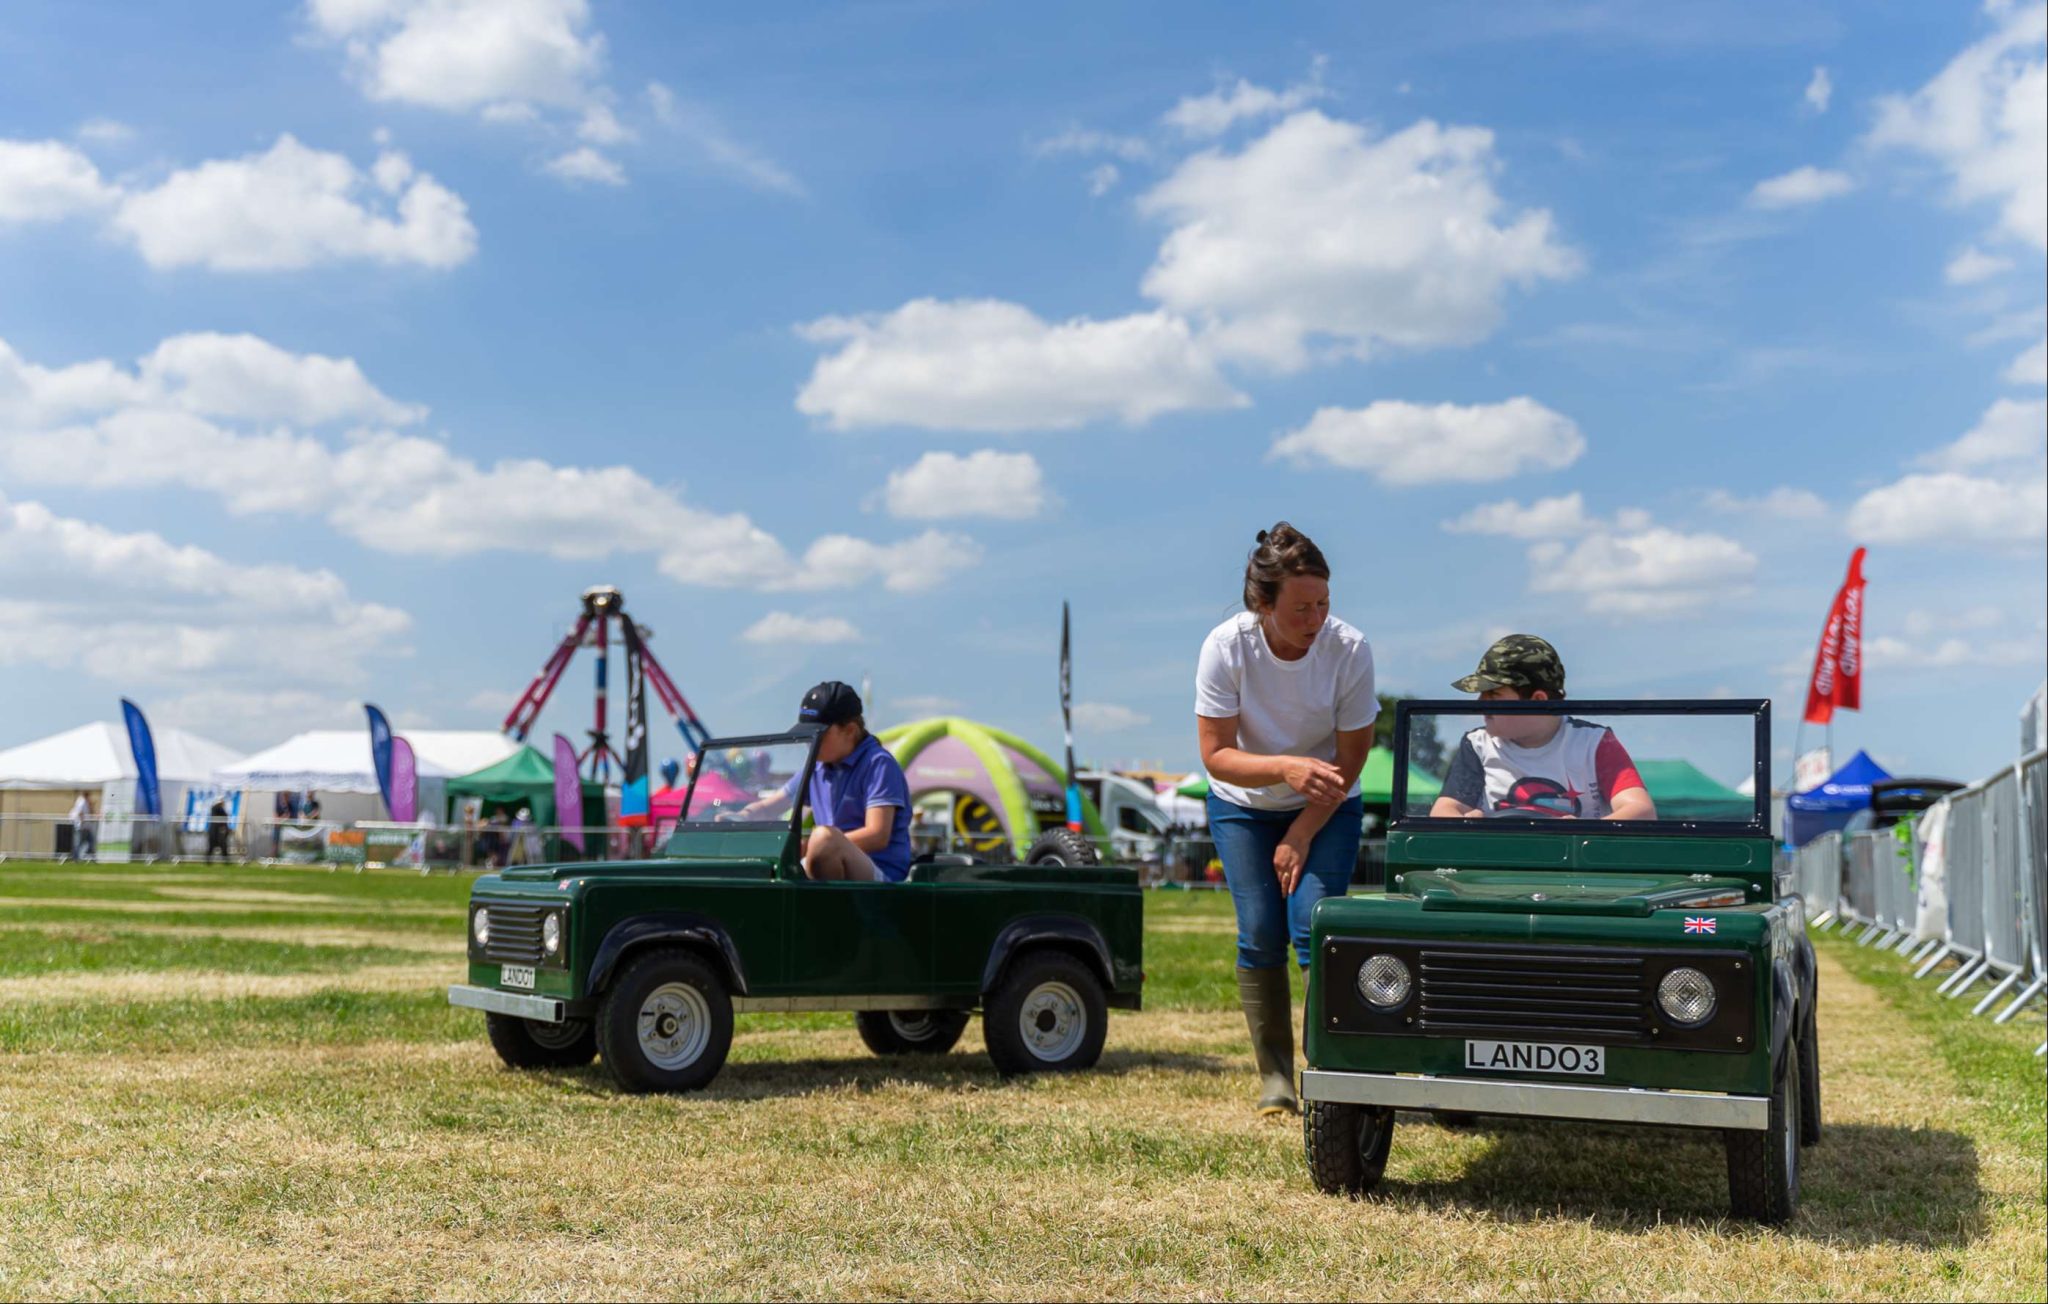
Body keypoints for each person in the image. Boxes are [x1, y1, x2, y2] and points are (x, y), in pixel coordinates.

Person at [1195, 523, 1377, 1117]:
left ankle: (1329, 1067)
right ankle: (1275, 1076)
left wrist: (1301, 832)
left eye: (1323, 603)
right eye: (1301, 607)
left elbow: (1351, 759)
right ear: (1263, 604)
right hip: (1242, 804)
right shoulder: (1226, 647)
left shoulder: (1349, 649)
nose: (1316, 618)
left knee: (1315, 924)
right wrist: (1284, 768)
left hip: (1328, 802)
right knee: (1260, 932)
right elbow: (1216, 755)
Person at [1430, 635, 1656, 821]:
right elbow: (1443, 811)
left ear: (1538, 700)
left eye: (1494, 695)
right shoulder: (1478, 745)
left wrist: (1582, 832)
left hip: (1575, 861)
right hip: (1497, 860)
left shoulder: (1594, 743)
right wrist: (1466, 824)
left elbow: (1642, 811)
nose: (1481, 703)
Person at [733, 681, 912, 882]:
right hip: (828, 863)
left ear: (850, 730)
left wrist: (814, 846)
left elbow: (877, 835)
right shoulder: (817, 767)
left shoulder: (877, 764)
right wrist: (738, 817)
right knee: (767, 872)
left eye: (818, 735)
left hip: (882, 879)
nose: (810, 743)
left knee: (823, 838)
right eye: (807, 736)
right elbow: (769, 807)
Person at [68, 791, 95, 861]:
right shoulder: (81, 801)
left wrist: (91, 805)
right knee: (79, 843)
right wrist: (82, 822)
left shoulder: (86, 802)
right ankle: (75, 858)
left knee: (90, 842)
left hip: (87, 826)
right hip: (81, 826)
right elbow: (80, 812)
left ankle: (91, 858)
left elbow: (91, 812)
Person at [205, 795, 232, 862]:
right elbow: (221, 818)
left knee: (222, 846)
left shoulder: (218, 808)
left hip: (218, 830)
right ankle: (208, 860)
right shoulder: (216, 808)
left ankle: (225, 860)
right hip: (216, 830)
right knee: (213, 846)